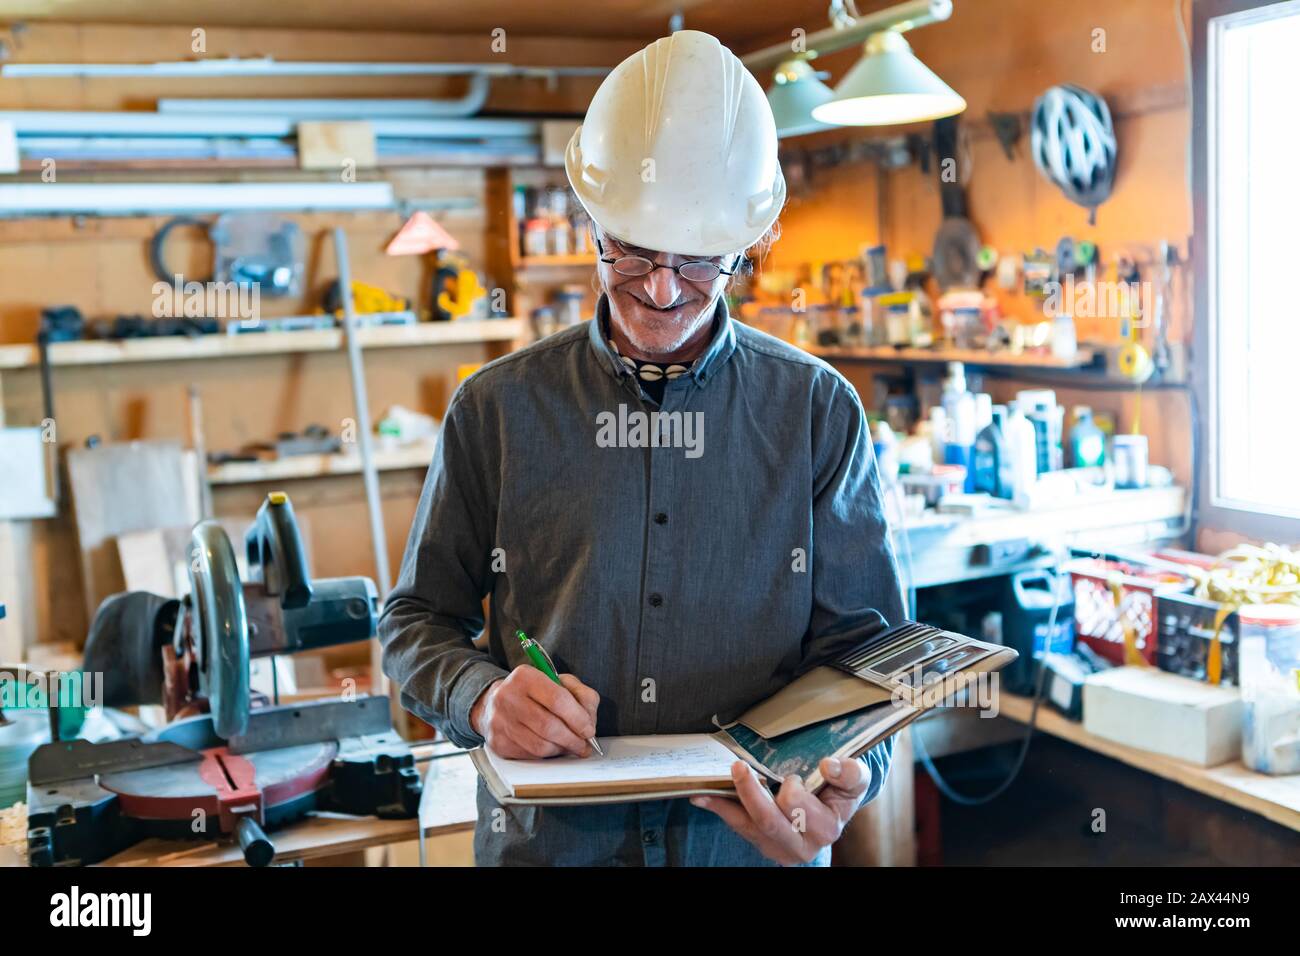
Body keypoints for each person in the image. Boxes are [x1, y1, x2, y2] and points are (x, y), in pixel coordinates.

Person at [379, 29, 905, 866]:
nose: (661, 289)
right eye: (630, 248)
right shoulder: (496, 410)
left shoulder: (817, 412)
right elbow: (412, 621)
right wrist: (481, 699)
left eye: (699, 259)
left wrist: (851, 775)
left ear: (749, 244)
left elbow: (868, 661)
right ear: (591, 216)